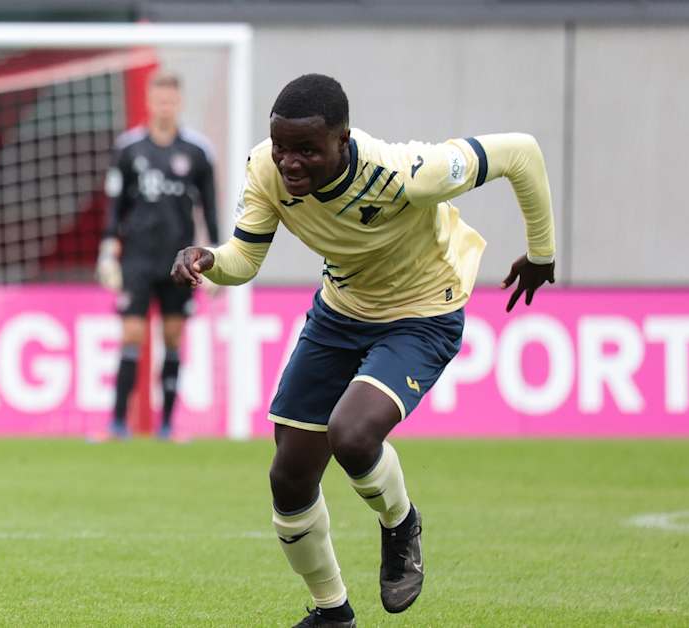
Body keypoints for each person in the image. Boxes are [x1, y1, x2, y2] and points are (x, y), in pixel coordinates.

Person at [172, 74, 555, 627]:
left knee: (351, 434)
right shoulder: (265, 171)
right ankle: (333, 615)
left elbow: (521, 153)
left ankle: (400, 524)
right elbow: (244, 261)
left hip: (422, 314)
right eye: (282, 147)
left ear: (344, 138)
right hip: (340, 313)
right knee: (288, 477)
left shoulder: (405, 173)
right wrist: (208, 258)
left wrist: (541, 251)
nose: (290, 163)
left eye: (308, 150)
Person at [96, 71, 219, 440]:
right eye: (159, 100)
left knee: (173, 335)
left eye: (170, 100)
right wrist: (107, 251)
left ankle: (167, 425)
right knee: (131, 333)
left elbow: (208, 210)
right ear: (150, 102)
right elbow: (115, 207)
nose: (164, 106)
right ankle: (118, 424)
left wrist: (216, 261)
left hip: (180, 262)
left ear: (178, 103)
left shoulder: (197, 152)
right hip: (136, 258)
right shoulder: (129, 148)